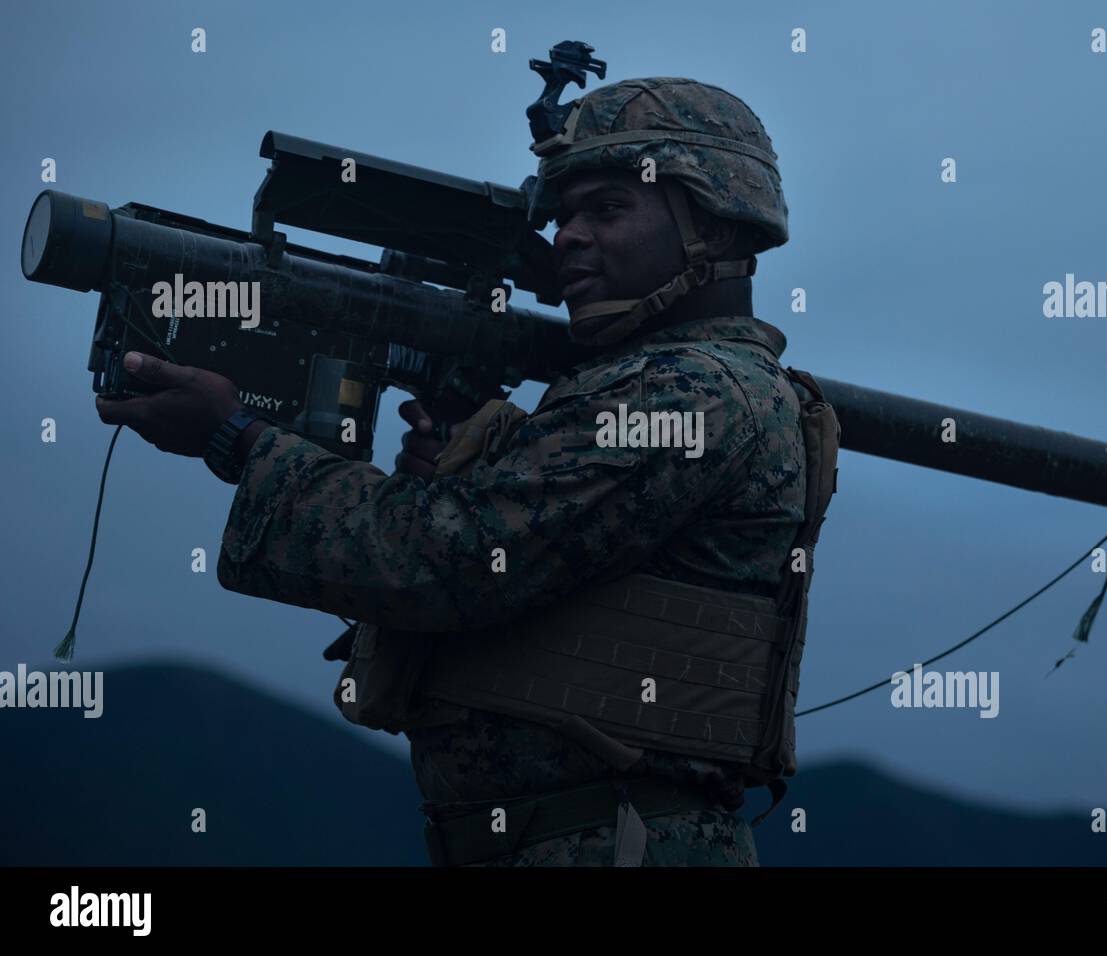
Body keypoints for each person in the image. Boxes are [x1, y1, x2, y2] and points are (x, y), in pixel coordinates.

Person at [96, 76, 838, 866]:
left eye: (607, 209)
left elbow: (449, 558)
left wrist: (237, 439)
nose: (569, 238)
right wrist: (460, 461)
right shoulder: (653, 384)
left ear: (718, 227)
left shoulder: (692, 393)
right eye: (561, 217)